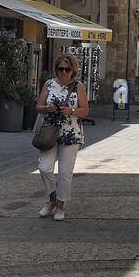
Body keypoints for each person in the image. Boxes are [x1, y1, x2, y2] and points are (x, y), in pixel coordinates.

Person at [35, 54, 89, 221]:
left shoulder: (79, 87)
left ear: (73, 70)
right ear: (56, 69)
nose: (63, 72)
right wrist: (47, 108)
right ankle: (52, 199)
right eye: (60, 69)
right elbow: (38, 106)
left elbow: (85, 111)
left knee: (65, 173)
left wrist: (71, 111)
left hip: (71, 133)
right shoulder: (49, 84)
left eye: (67, 69)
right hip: (50, 131)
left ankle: (61, 205)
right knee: (44, 168)